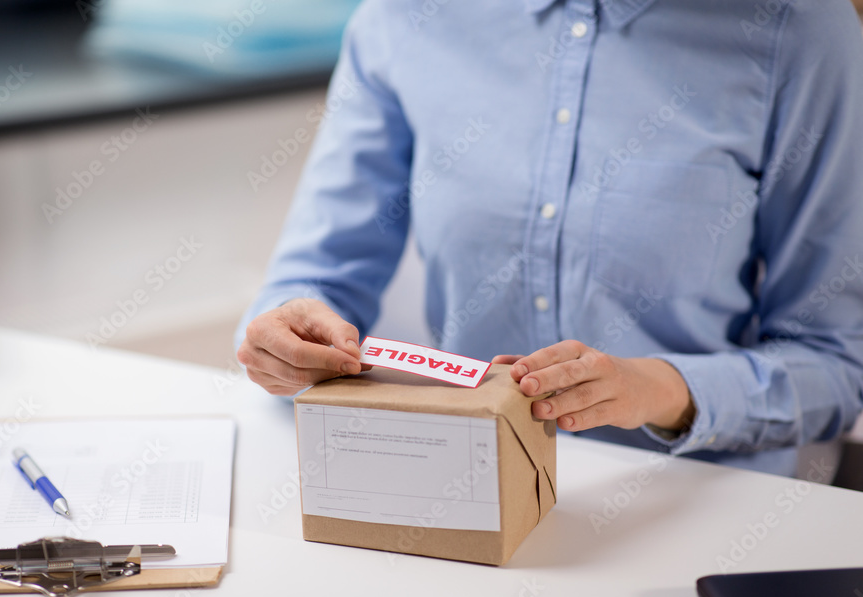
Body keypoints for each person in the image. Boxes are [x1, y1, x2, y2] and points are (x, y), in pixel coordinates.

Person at [236, 0, 863, 477]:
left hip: (703, 506)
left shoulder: (799, 29)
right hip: (468, 494)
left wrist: (661, 388)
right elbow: (313, 279)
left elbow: (838, 363)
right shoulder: (404, 16)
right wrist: (283, 337)